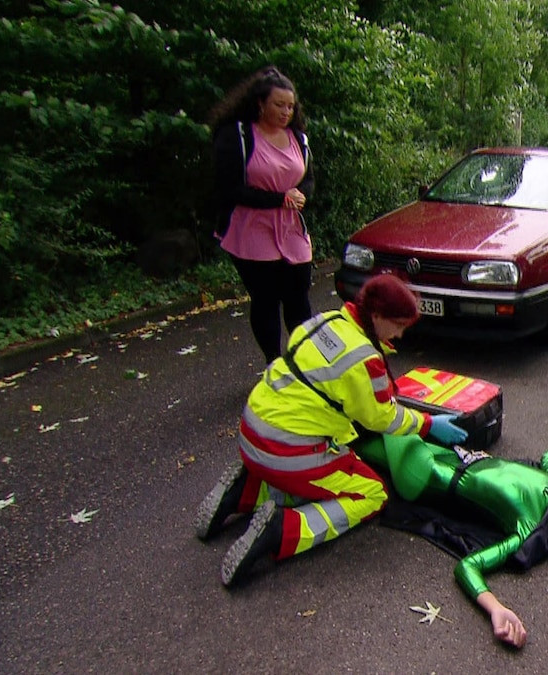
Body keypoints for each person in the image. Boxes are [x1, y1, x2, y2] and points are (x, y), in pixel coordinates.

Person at [193, 275, 470, 587]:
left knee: (320, 469)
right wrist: (429, 424)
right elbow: (383, 419)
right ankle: (282, 529)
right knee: (371, 493)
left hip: (253, 431)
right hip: (287, 451)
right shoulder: (363, 359)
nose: (402, 334)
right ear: (377, 316)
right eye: (399, 325)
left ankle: (244, 491)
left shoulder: (324, 321)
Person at [351, 423, 548, 648]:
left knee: (375, 418)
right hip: (450, 454)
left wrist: (495, 609)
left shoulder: (533, 526)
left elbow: (467, 565)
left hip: (424, 473)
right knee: (367, 422)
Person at [208, 66, 315, 364]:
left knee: (298, 299)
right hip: (251, 230)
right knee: (266, 300)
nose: (286, 112)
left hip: (291, 229)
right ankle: (273, 363)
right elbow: (229, 189)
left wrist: (302, 194)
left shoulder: (298, 137)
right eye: (279, 105)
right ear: (260, 103)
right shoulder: (237, 136)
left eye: (290, 106)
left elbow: (308, 179)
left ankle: (302, 363)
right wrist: (279, 198)